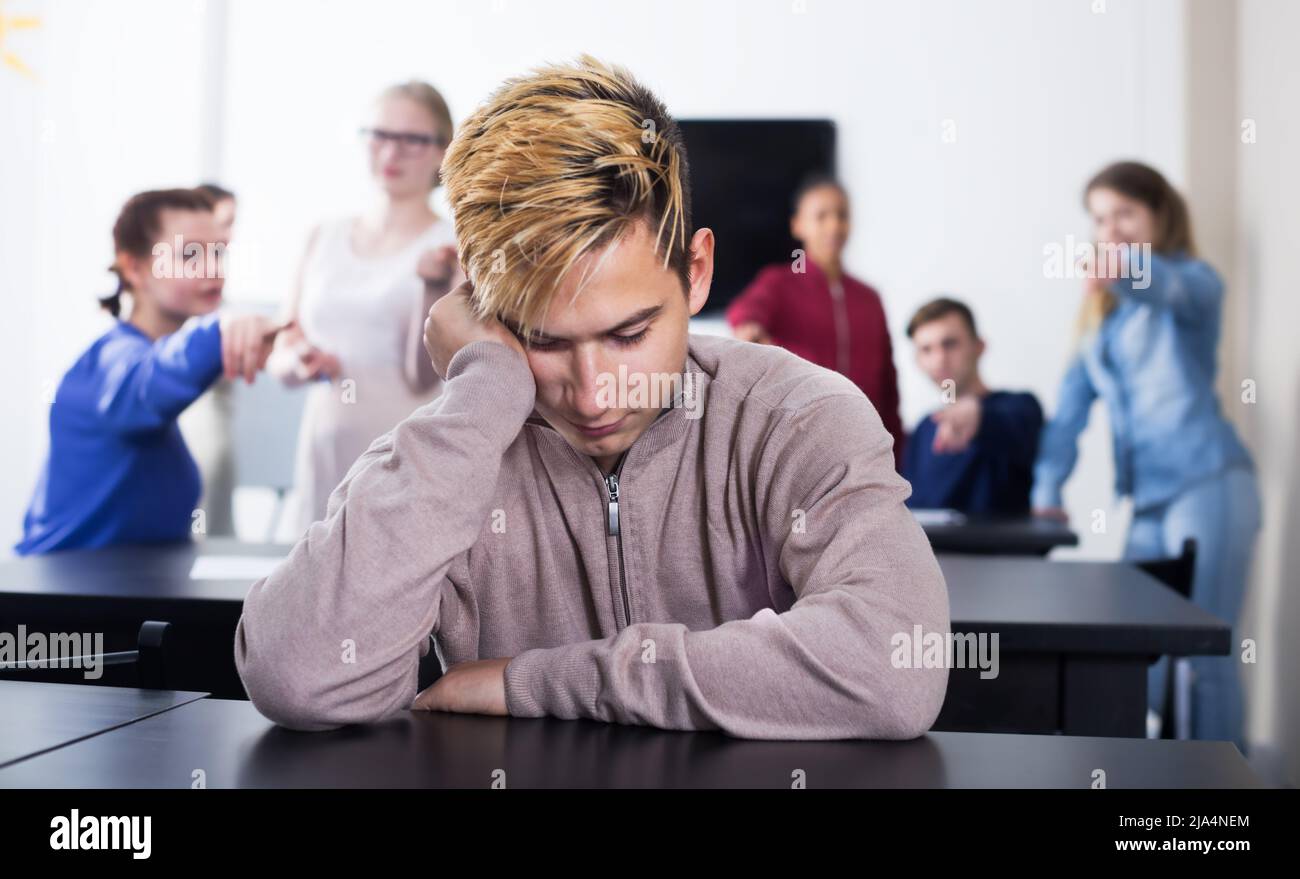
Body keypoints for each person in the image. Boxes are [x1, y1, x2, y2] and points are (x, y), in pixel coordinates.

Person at [235, 56, 949, 739]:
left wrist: (543, 682)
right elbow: (298, 674)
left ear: (696, 272)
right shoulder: (459, 445)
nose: (595, 391)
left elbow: (894, 664)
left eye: (631, 332)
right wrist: (484, 386)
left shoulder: (798, 415)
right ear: (487, 317)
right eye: (543, 342)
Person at [1032, 161, 1259, 747]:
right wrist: (1047, 491)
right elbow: (1069, 413)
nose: (1112, 227)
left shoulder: (1193, 283)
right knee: (1136, 651)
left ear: (1160, 215)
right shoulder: (1100, 321)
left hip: (1209, 484)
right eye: (1101, 219)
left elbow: (1163, 285)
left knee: (1204, 657)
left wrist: (1122, 268)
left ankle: (1222, 806)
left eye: (1125, 213)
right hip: (1149, 503)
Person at [16, 188, 278, 555]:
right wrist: (220, 329)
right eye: (189, 254)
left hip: (115, 593)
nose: (213, 269)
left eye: (218, 253)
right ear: (135, 268)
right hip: (57, 601)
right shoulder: (110, 362)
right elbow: (148, 384)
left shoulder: (151, 351)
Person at [269, 81, 463, 534]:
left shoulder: (453, 246)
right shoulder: (322, 235)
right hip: (322, 457)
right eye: (379, 135)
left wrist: (430, 286)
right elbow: (281, 348)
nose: (392, 152)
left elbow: (429, 372)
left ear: (441, 151)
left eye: (412, 140)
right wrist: (298, 362)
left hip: (402, 463)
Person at [725, 175, 905, 465]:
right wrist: (749, 327)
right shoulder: (779, 283)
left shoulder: (869, 298)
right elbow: (745, 311)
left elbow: (889, 384)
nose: (834, 225)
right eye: (821, 216)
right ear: (798, 225)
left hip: (864, 448)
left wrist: (897, 455)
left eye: (842, 215)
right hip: (801, 444)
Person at [902, 297, 1042, 515]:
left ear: (979, 347)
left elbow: (1017, 428)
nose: (939, 359)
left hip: (1003, 549)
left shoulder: (1020, 407)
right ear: (918, 361)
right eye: (926, 349)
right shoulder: (922, 431)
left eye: (950, 344)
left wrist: (978, 416)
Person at [183, 182, 240, 536]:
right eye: (225, 220)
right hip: (197, 436)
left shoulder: (218, 290)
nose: (229, 234)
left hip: (219, 436)